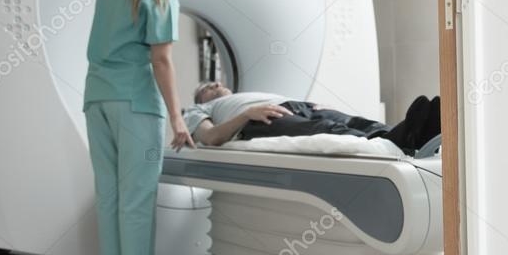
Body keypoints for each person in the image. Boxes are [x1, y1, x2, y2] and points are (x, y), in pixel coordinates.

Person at [83, 0, 194, 255]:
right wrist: (178, 119)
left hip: (96, 99)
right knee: (137, 199)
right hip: (135, 103)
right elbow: (161, 61)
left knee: (110, 196)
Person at [185, 82, 441, 154]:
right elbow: (211, 137)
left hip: (296, 104)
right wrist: (247, 114)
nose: (216, 83)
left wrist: (306, 104)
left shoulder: (247, 91)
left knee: (353, 121)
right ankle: (399, 140)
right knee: (323, 128)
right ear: (201, 99)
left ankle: (417, 132)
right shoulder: (197, 110)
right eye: (208, 86)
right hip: (257, 121)